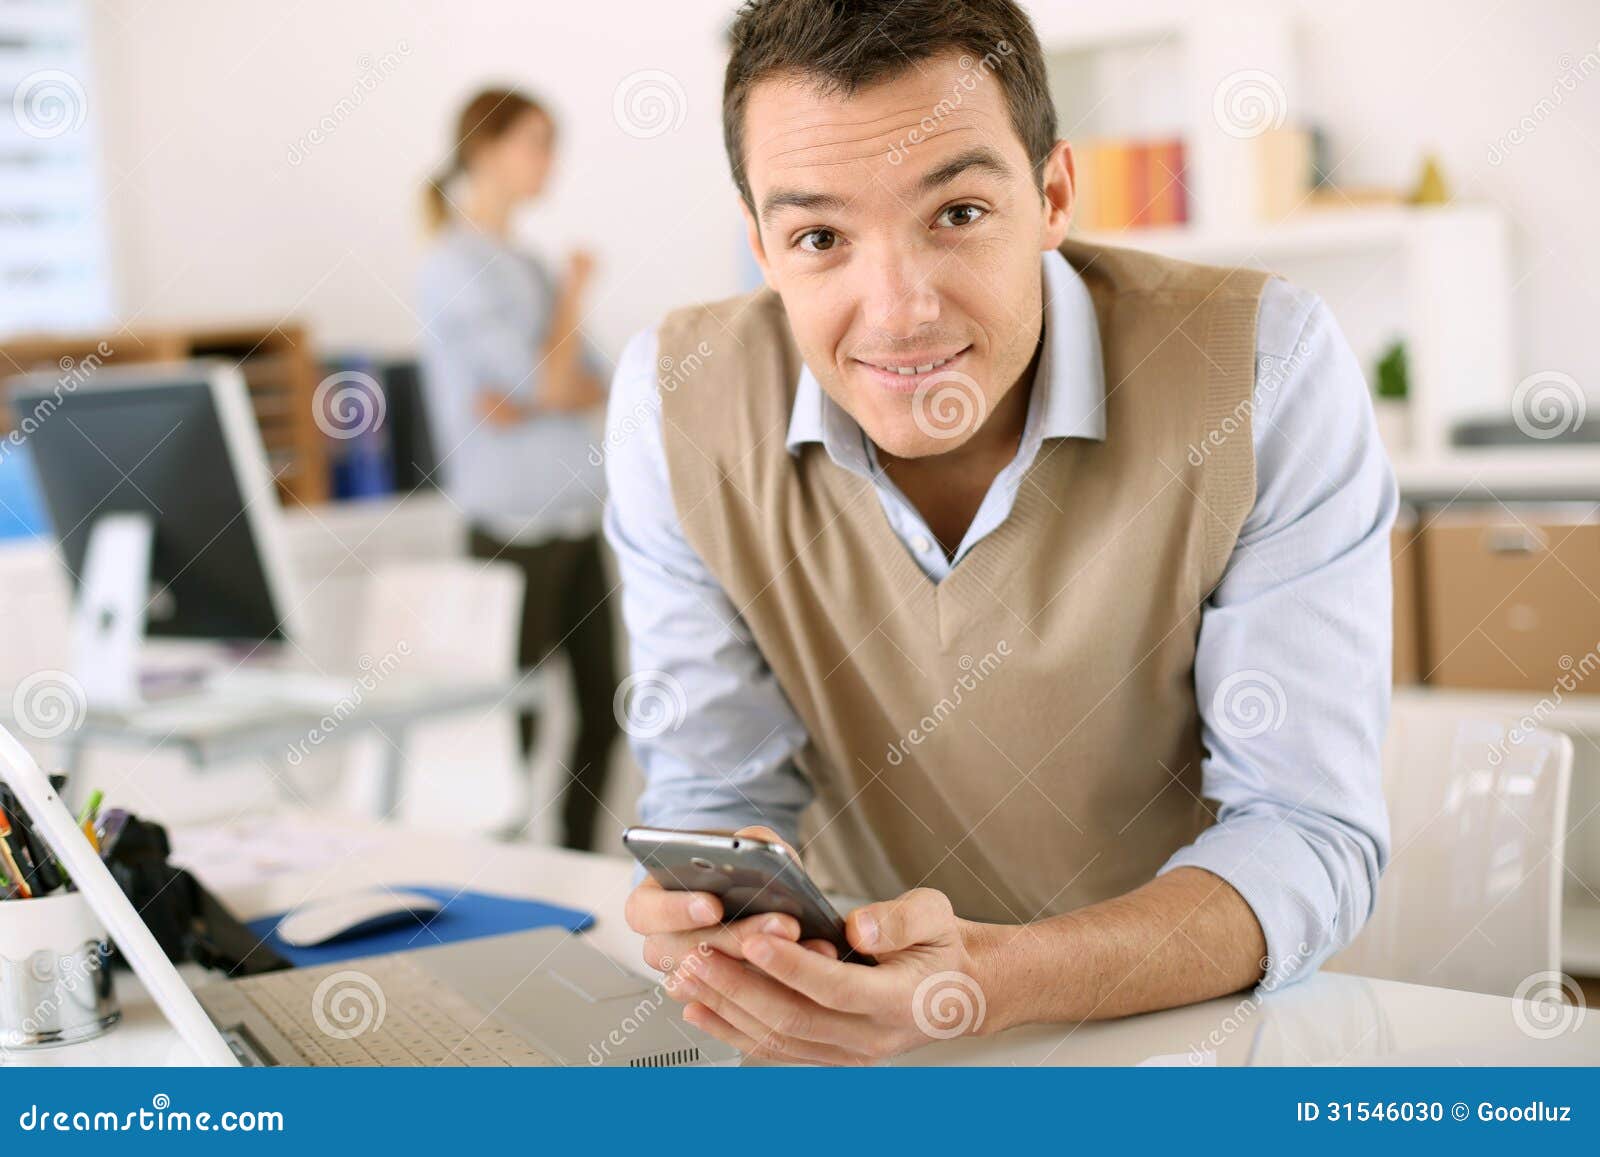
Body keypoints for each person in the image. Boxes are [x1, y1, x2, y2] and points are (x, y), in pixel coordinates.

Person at [607, 0, 1395, 1064]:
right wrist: (727, 908)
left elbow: (1308, 831)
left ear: (1053, 193)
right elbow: (716, 787)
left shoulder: (1260, 366)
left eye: (958, 214)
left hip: (1186, 1039)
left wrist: (993, 983)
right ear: (760, 246)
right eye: (820, 237)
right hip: (865, 1048)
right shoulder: (677, 400)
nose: (897, 311)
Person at [417, 87, 619, 850]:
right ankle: (500, 880)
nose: (549, 162)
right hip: (510, 531)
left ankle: (577, 862)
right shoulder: (452, 267)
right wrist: (573, 297)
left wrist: (544, 386)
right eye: (536, 141)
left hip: (574, 518)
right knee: (513, 731)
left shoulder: (527, 266)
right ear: (484, 149)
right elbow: (553, 383)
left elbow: (589, 380)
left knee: (603, 707)